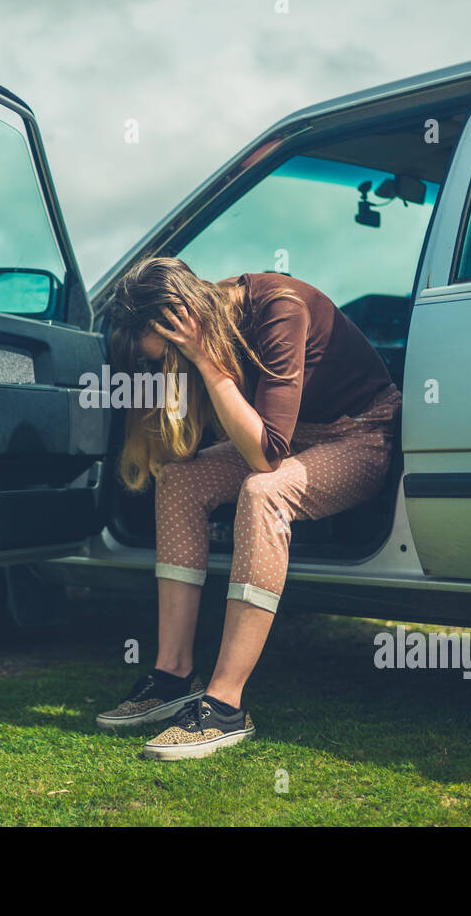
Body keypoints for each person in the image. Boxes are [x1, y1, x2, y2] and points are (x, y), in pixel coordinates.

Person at [94, 256, 402, 760]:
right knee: (178, 481)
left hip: (360, 434)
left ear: (186, 319)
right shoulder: (206, 322)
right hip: (292, 438)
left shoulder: (281, 308)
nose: (166, 368)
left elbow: (266, 453)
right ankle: (174, 675)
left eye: (168, 354)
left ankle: (226, 705)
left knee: (265, 491)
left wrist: (206, 363)